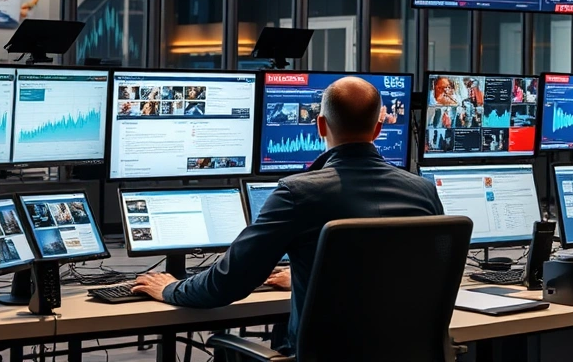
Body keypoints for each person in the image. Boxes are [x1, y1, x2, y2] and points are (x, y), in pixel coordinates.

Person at [131, 77, 444, 355]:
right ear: (378, 129)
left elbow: (228, 283)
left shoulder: (297, 193)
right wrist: (309, 276)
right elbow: (411, 274)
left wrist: (169, 288)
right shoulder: (422, 192)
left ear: (320, 125)